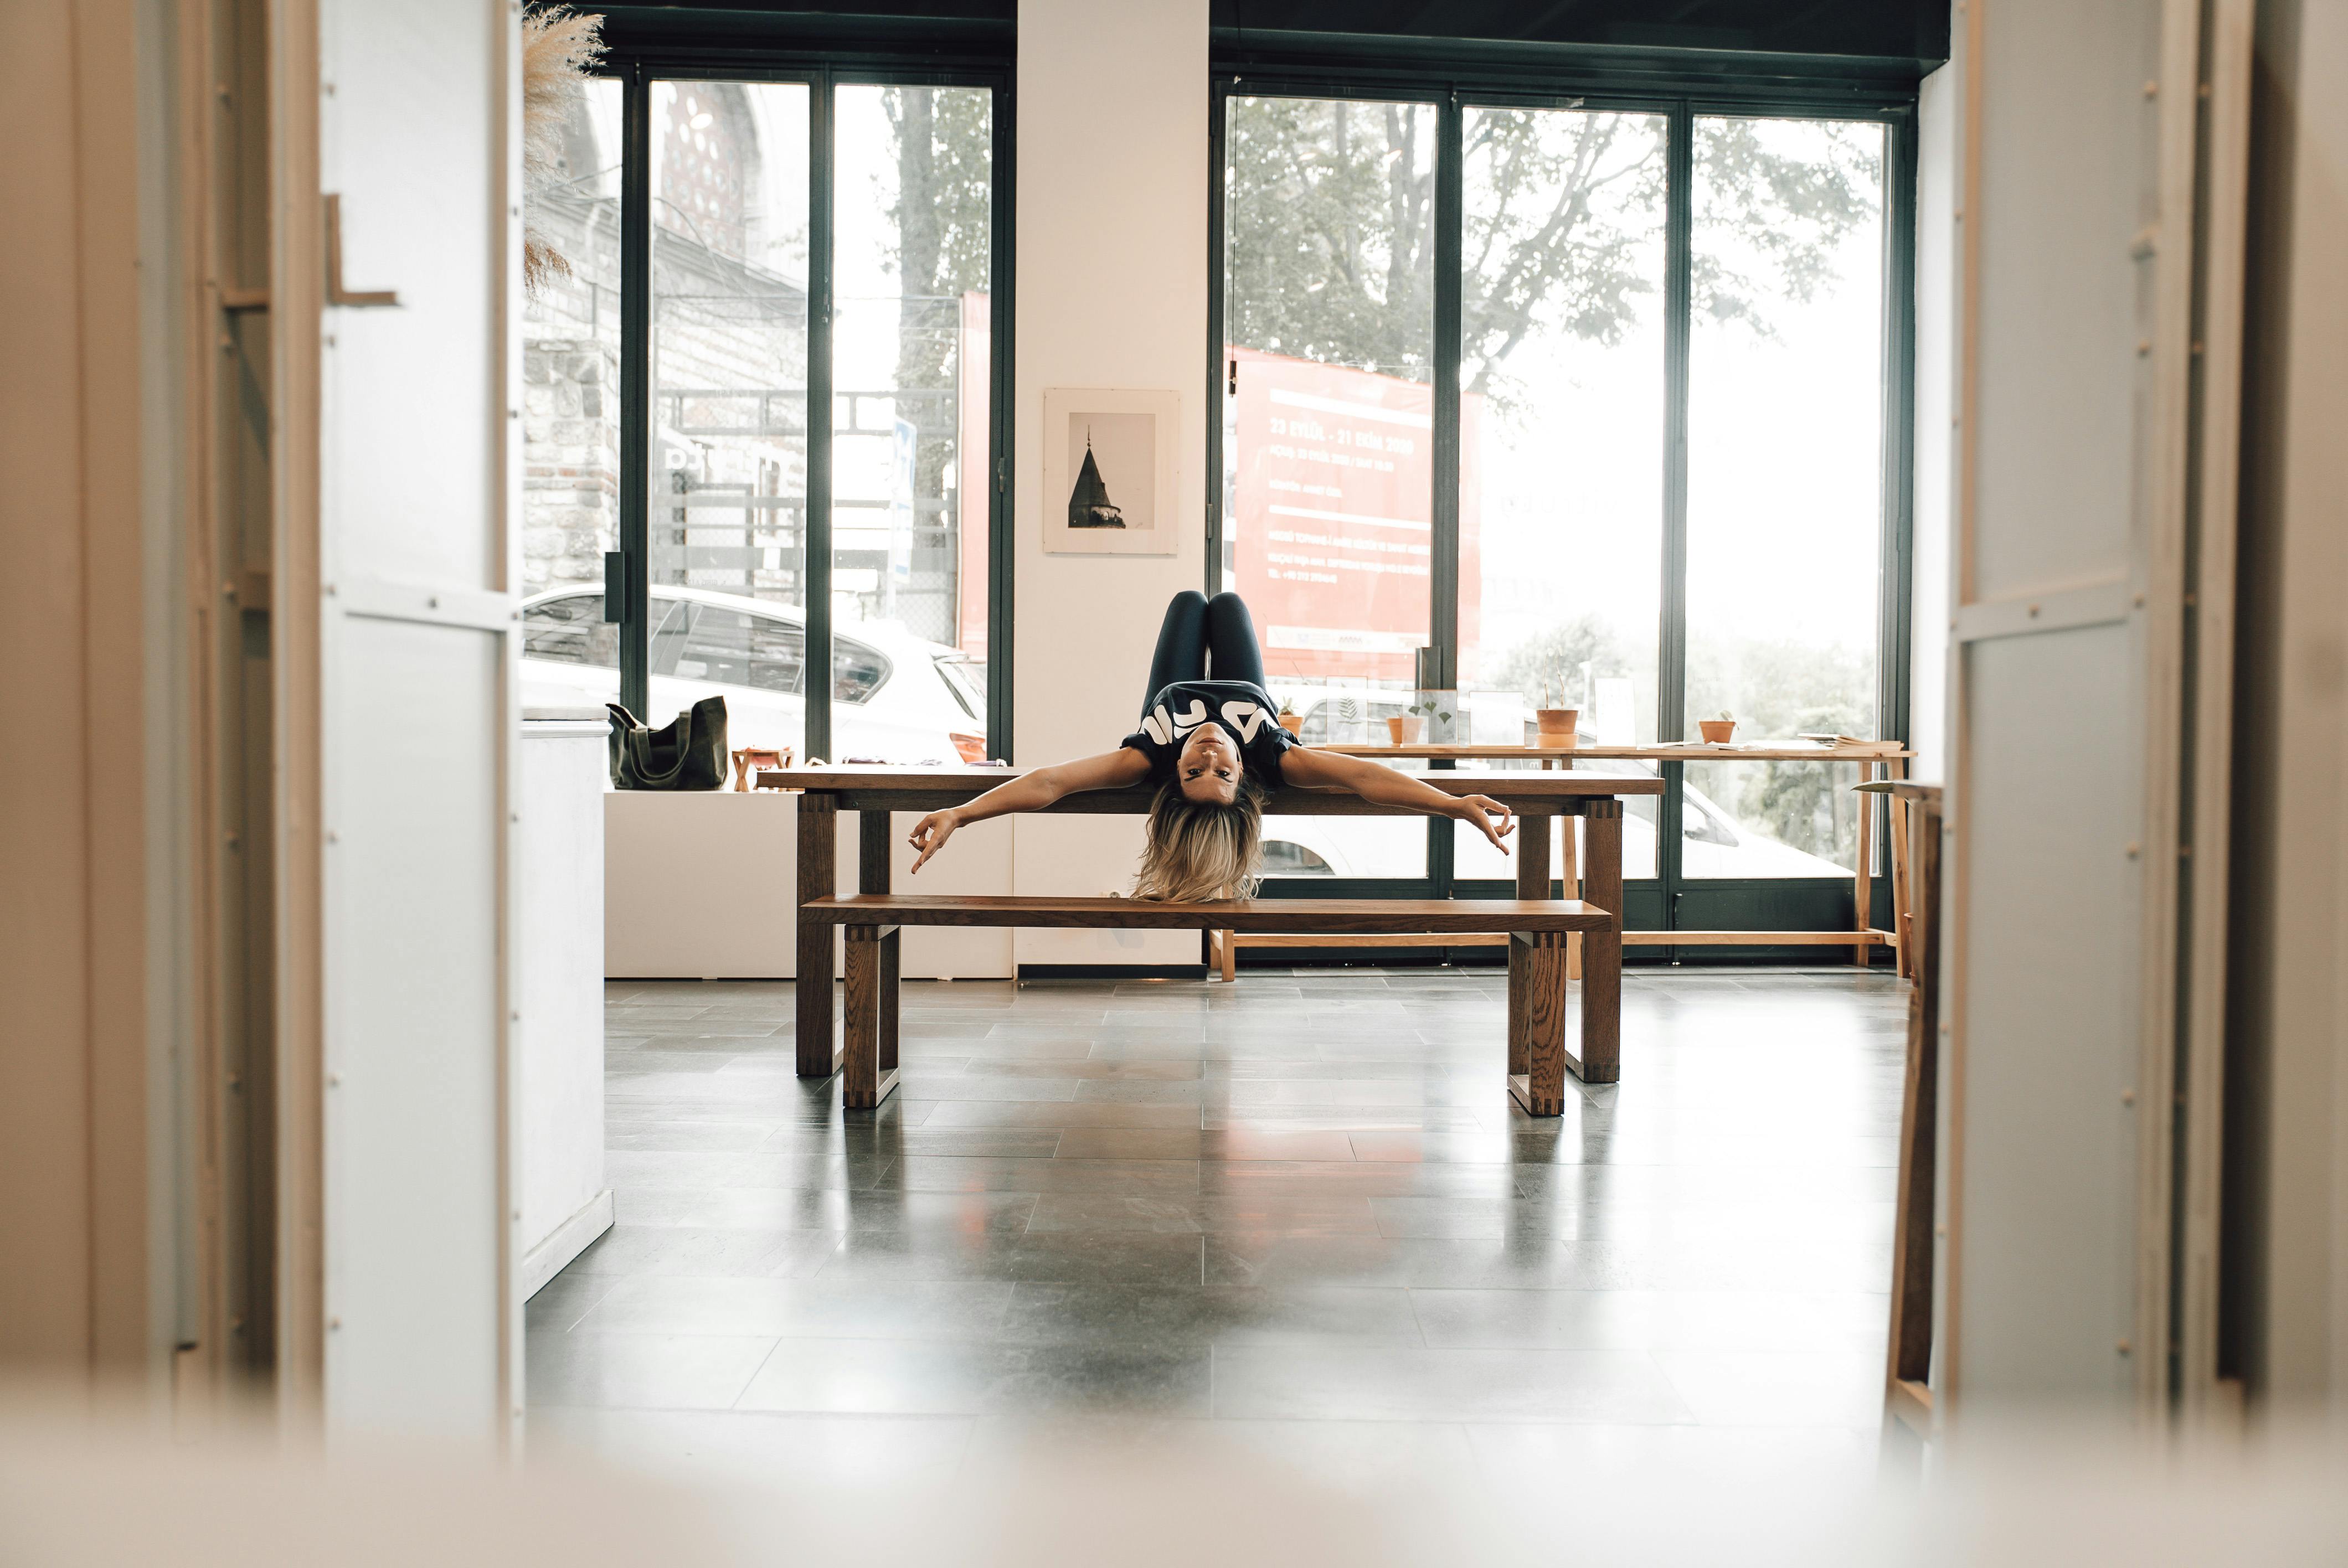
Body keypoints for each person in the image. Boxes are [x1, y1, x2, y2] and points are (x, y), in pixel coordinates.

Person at [906, 590, 1513, 899]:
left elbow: (1050, 783)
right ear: (1241, 777)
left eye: (1192, 771)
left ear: (1174, 777)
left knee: (1187, 604)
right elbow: (1364, 779)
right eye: (1219, 774)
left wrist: (963, 813)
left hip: (1171, 690)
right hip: (1246, 687)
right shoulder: (1276, 756)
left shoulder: (1149, 754)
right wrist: (1454, 803)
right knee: (1225, 606)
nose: (1205, 756)